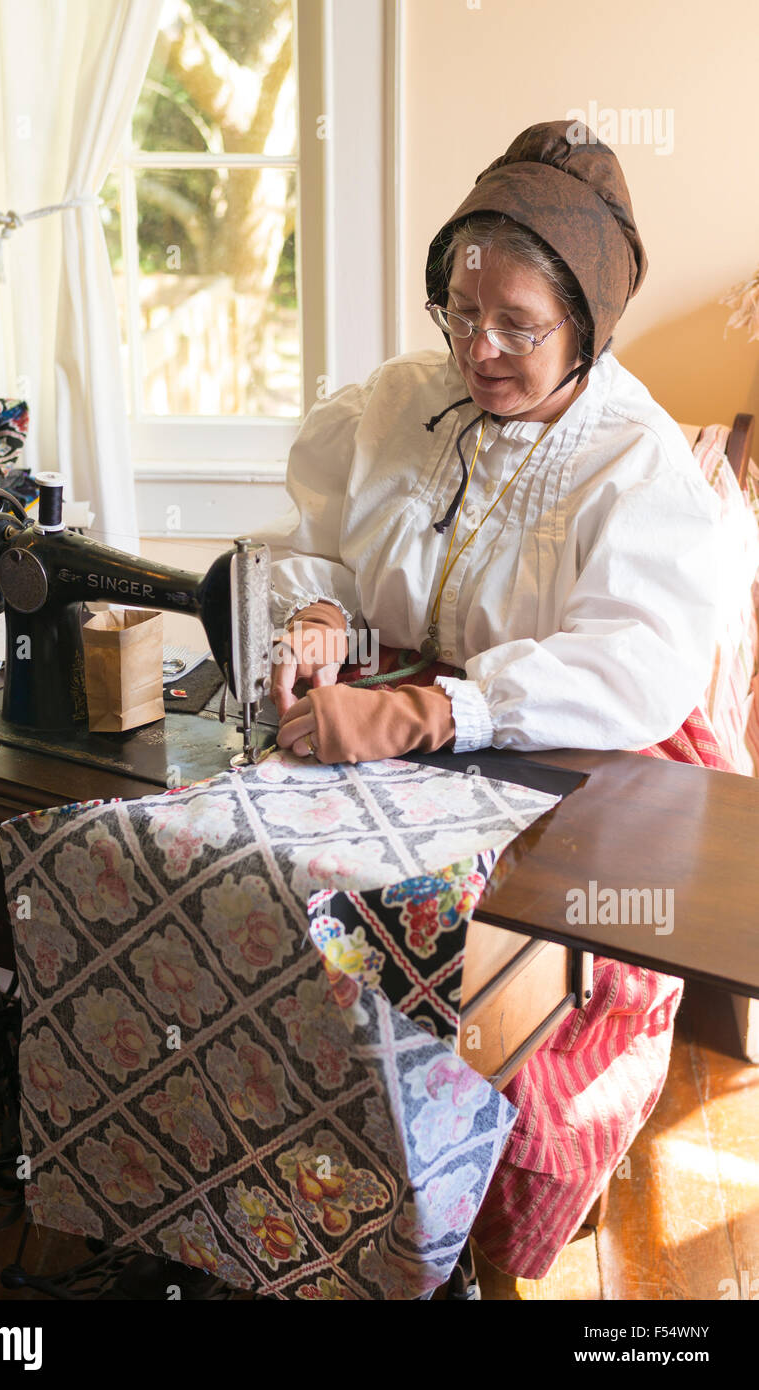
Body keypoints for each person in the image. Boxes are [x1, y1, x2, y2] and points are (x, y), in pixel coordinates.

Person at [254, 120, 724, 1281]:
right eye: (462, 314)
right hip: (394, 723)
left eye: (518, 325)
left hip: (587, 750)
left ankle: (443, 1243)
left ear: (587, 327)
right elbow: (316, 544)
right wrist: (319, 615)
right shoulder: (398, 405)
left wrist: (428, 713)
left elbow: (635, 664)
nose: (481, 349)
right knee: (264, 894)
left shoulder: (635, 461)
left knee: (466, 963)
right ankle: (278, 1202)